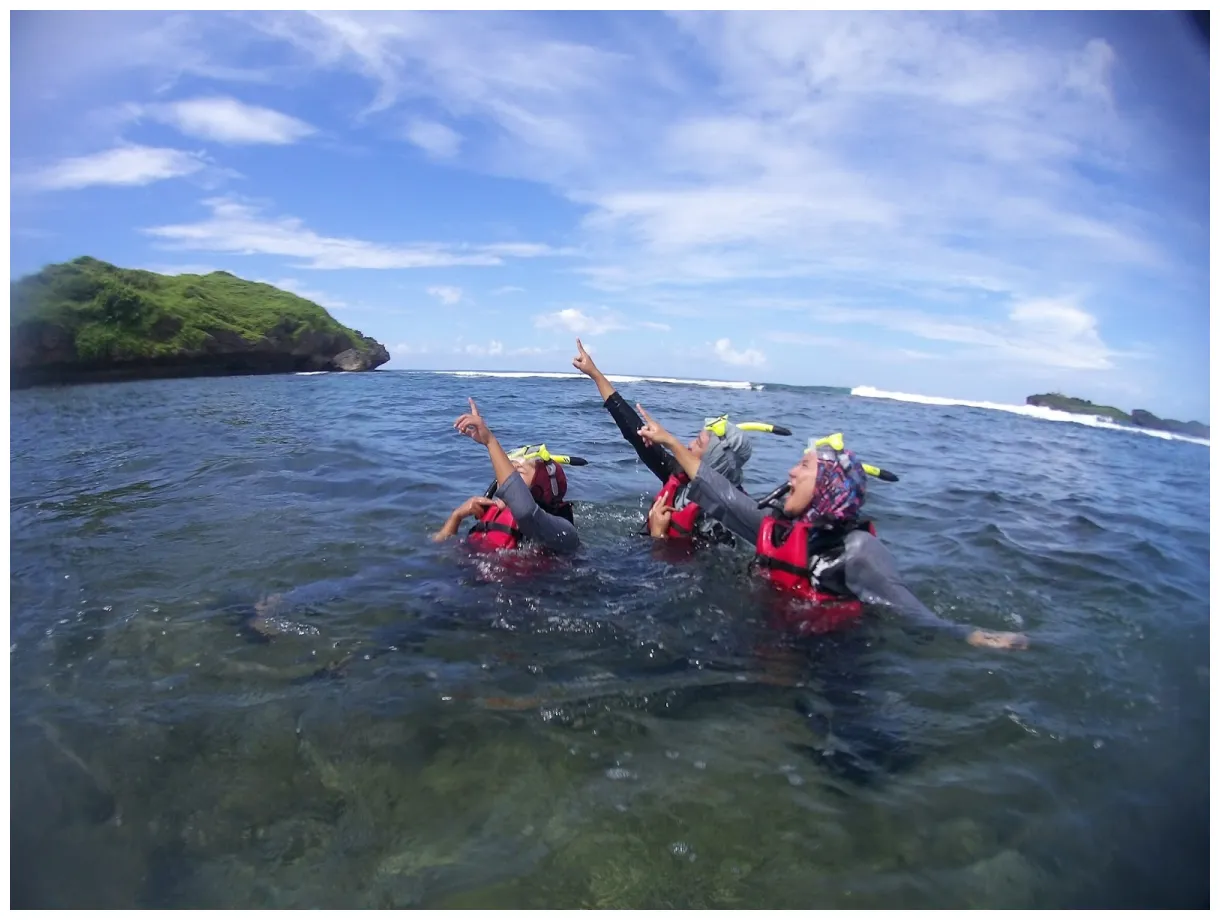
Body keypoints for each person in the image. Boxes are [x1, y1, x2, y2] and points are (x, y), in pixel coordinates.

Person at [633, 405, 1029, 650]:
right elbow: (723, 495)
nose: (790, 471)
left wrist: (971, 635)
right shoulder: (777, 531)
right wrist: (667, 440)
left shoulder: (858, 551)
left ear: (828, 486)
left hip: (830, 655)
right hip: (770, 639)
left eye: (803, 467)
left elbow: (911, 612)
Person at [571, 338, 761, 544]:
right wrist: (595, 374)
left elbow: (694, 571)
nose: (688, 445)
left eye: (698, 443)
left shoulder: (725, 518)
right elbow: (633, 432)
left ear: (713, 458)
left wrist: (658, 536)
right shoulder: (678, 476)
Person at [431, 398, 581, 555]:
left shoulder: (563, 530)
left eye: (518, 472)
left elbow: (526, 512)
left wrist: (489, 441)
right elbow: (437, 548)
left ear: (540, 488)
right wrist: (457, 516)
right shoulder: (495, 512)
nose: (507, 477)